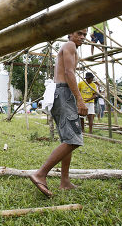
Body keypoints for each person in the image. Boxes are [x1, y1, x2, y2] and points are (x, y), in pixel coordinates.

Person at [29, 29, 88, 198]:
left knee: (67, 138)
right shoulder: (69, 45)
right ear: (70, 33)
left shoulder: (70, 47)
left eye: (85, 34)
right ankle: (41, 173)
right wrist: (79, 99)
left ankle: (65, 181)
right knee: (73, 139)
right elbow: (69, 73)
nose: (83, 37)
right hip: (64, 93)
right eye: (80, 33)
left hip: (60, 93)